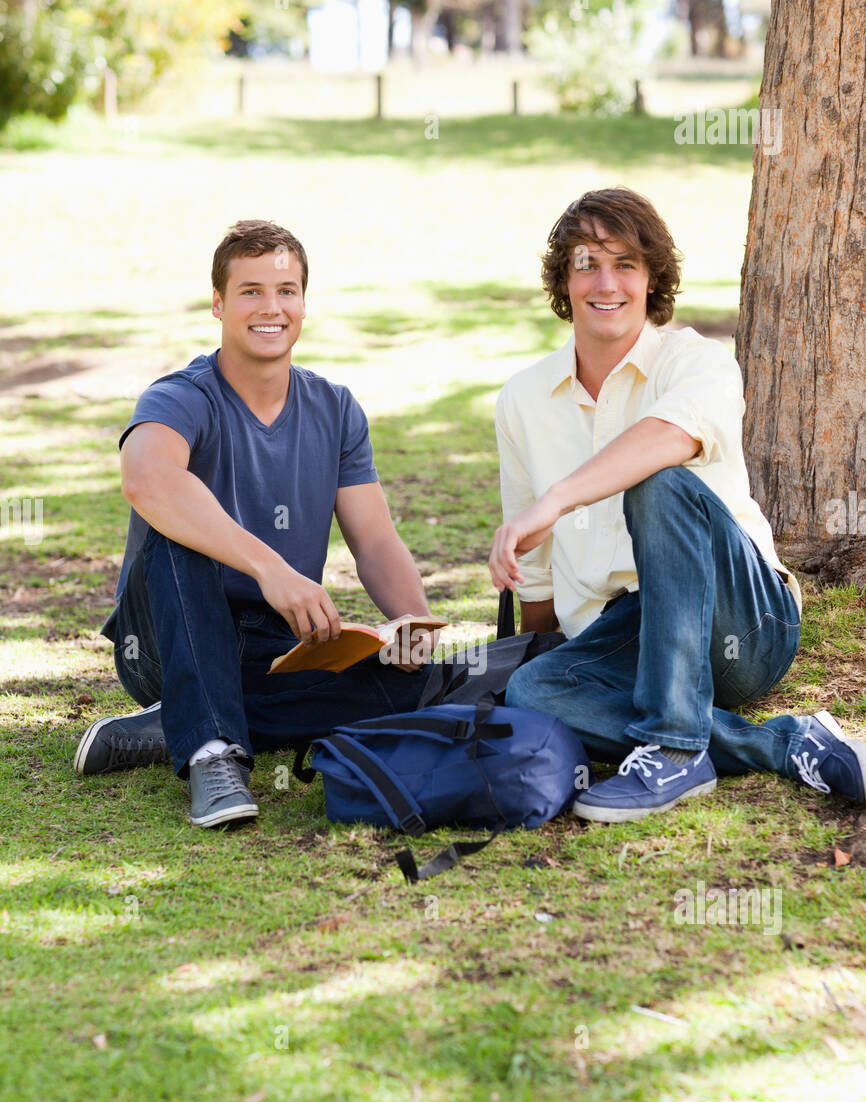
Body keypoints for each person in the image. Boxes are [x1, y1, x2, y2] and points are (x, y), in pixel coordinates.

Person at [488, 187, 866, 822]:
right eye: (586, 262)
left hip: (739, 625)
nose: (605, 282)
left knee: (659, 482)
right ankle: (788, 743)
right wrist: (544, 657)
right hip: (624, 633)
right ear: (563, 279)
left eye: (625, 264)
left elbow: (670, 438)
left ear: (651, 278)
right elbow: (540, 569)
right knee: (533, 691)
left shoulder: (697, 362)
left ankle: (673, 743)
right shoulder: (522, 399)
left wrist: (557, 498)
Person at [75, 220, 432, 828]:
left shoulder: (335, 407)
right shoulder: (182, 395)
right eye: (251, 291)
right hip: (172, 632)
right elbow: (147, 480)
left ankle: (182, 723)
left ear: (302, 302)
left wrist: (412, 624)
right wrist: (270, 568)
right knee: (175, 526)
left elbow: (373, 541)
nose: (272, 307)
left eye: (287, 290)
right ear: (218, 303)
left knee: (418, 688)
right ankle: (214, 754)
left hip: (275, 647)